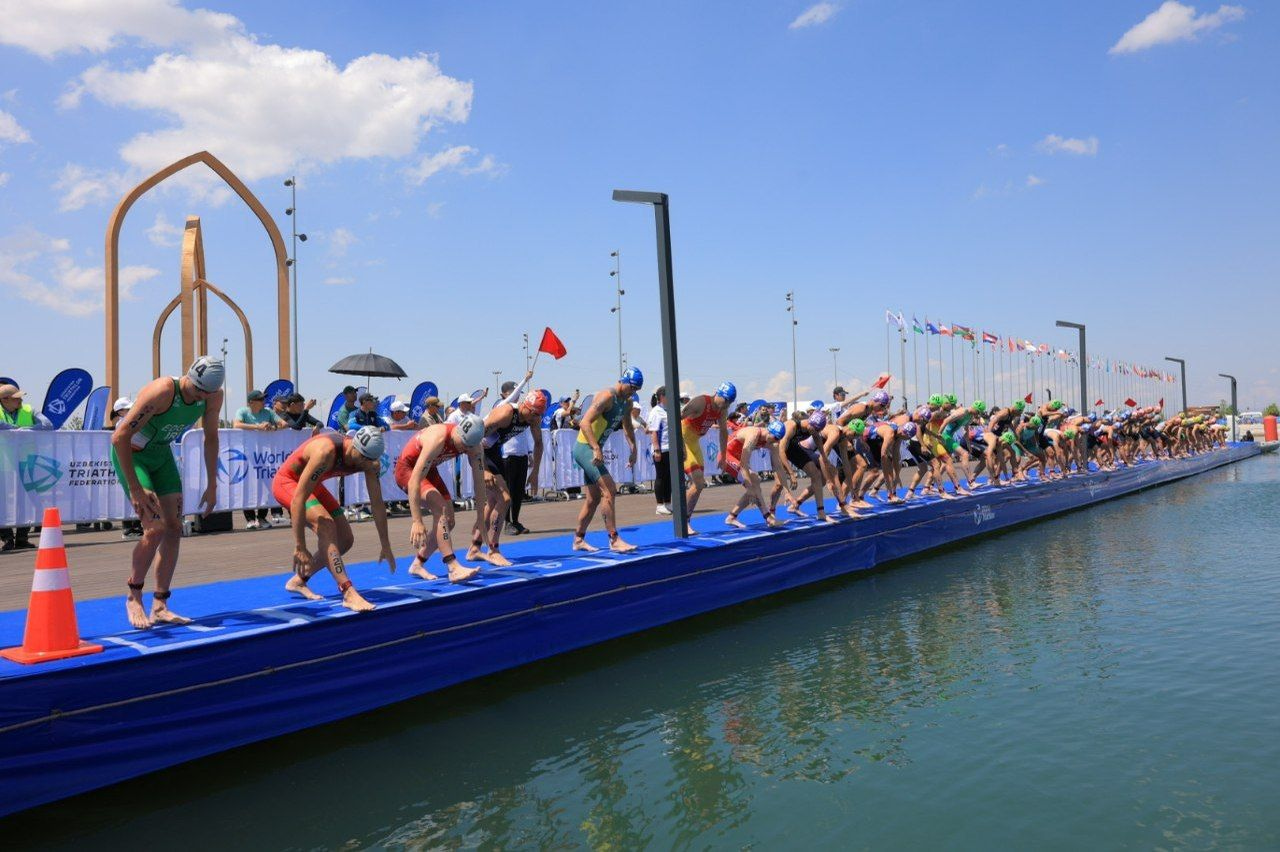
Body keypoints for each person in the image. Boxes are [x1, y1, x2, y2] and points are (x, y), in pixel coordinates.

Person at [110, 356, 224, 628]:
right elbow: (119, 437)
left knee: (174, 528)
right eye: (195, 390)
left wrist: (212, 484)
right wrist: (136, 488)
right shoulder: (163, 391)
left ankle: (160, 604)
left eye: (204, 394)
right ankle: (133, 595)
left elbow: (211, 438)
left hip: (161, 456)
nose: (198, 396)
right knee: (155, 528)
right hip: (134, 456)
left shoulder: (213, 397)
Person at [271, 426, 396, 611]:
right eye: (362, 458)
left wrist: (385, 544)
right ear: (354, 446)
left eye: (369, 460)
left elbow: (377, 504)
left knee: (345, 539)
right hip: (289, 483)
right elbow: (298, 499)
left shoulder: (369, 463)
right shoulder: (325, 452)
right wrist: (300, 545)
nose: (364, 464)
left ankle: (299, 580)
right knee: (326, 525)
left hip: (314, 484)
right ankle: (347, 592)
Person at [396, 415, 487, 583]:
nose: (466, 450)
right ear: (458, 432)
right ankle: (453, 566)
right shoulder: (437, 438)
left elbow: (480, 483)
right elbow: (414, 480)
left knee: (449, 521)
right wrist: (417, 520)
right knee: (441, 508)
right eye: (464, 445)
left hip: (429, 470)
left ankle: (417, 564)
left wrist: (481, 517)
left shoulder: (475, 447)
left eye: (469, 447)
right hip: (408, 470)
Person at [470, 378, 543, 565]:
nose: (535, 419)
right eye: (533, 414)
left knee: (493, 502)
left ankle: (474, 548)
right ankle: (493, 550)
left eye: (538, 416)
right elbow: (475, 440)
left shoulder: (533, 417)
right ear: (525, 405)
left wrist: (534, 472)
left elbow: (539, 443)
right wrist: (484, 470)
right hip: (478, 449)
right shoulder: (506, 413)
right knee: (505, 499)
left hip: (493, 451)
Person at [573, 369, 643, 552]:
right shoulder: (606, 396)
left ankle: (578, 539)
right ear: (623, 380)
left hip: (592, 449)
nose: (633, 391)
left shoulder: (627, 403)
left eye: (637, 389)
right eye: (632, 387)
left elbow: (627, 426)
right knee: (609, 490)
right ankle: (614, 540)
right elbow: (584, 422)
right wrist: (596, 448)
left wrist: (633, 448)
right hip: (584, 448)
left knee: (593, 499)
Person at [680, 382, 736, 535]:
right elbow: (676, 419)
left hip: (694, 442)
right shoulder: (701, 402)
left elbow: (723, 432)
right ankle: (682, 522)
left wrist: (723, 456)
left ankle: (686, 520)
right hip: (683, 440)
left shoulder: (722, 410)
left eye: (729, 403)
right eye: (725, 401)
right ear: (718, 394)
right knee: (697, 481)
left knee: (700, 484)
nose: (726, 406)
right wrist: (680, 445)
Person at [723, 422, 791, 529]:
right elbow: (743, 464)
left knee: (755, 487)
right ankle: (768, 518)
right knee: (753, 481)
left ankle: (732, 517)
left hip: (737, 457)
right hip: (726, 456)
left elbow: (778, 467)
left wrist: (787, 492)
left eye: (779, 439)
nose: (776, 441)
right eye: (776, 438)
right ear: (769, 431)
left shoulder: (771, 442)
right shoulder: (753, 435)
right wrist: (749, 488)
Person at [234, 389, 284, 530]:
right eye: (260, 399)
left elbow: (283, 424)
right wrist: (257, 427)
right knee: (248, 486)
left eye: (263, 399)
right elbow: (236, 425)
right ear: (251, 402)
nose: (264, 401)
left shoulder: (268, 412)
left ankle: (262, 517)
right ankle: (250, 519)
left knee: (266, 485)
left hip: (265, 456)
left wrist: (273, 427)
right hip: (248, 456)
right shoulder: (243, 411)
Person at [106, 397, 144, 540]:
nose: (131, 411)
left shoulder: (131, 421)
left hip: (136, 461)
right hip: (129, 463)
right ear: (120, 412)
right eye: (127, 409)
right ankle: (129, 528)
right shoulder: (123, 424)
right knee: (131, 493)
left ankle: (136, 525)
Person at [647, 386, 672, 515]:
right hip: (661, 449)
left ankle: (668, 502)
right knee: (661, 476)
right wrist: (657, 450)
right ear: (662, 397)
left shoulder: (670, 410)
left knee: (669, 477)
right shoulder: (656, 411)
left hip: (671, 448)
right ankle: (659, 505)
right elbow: (653, 431)